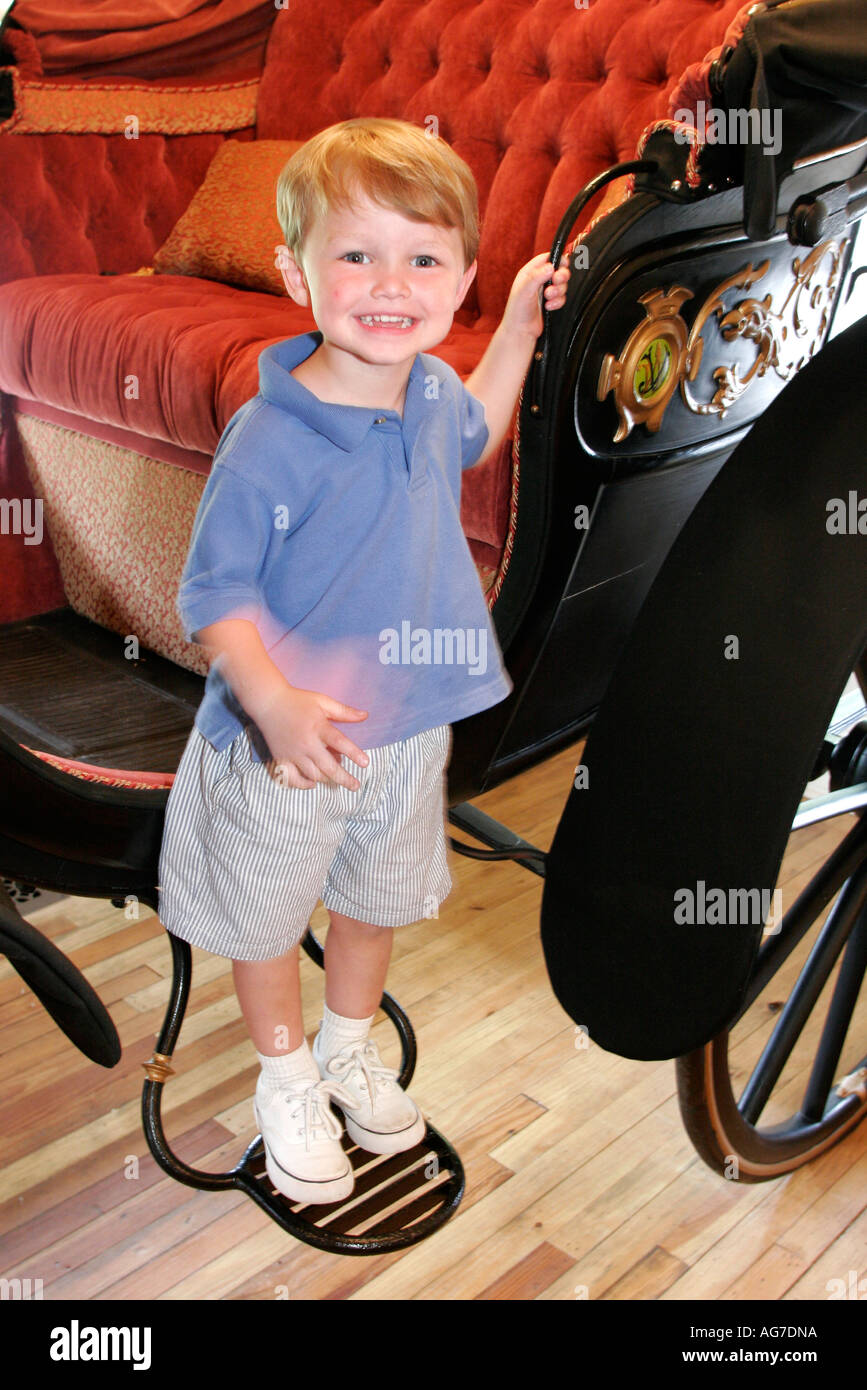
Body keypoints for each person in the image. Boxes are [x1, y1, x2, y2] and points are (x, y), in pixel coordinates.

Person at [158, 116, 570, 1204]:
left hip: (406, 727)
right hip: (291, 740)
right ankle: (286, 1074)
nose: (391, 284)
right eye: (357, 255)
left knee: (376, 900)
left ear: (460, 277)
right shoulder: (271, 434)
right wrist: (276, 704)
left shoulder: (431, 390)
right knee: (269, 913)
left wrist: (521, 323)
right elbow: (213, 595)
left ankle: (347, 1049)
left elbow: (478, 429)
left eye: (423, 258)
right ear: (298, 272)